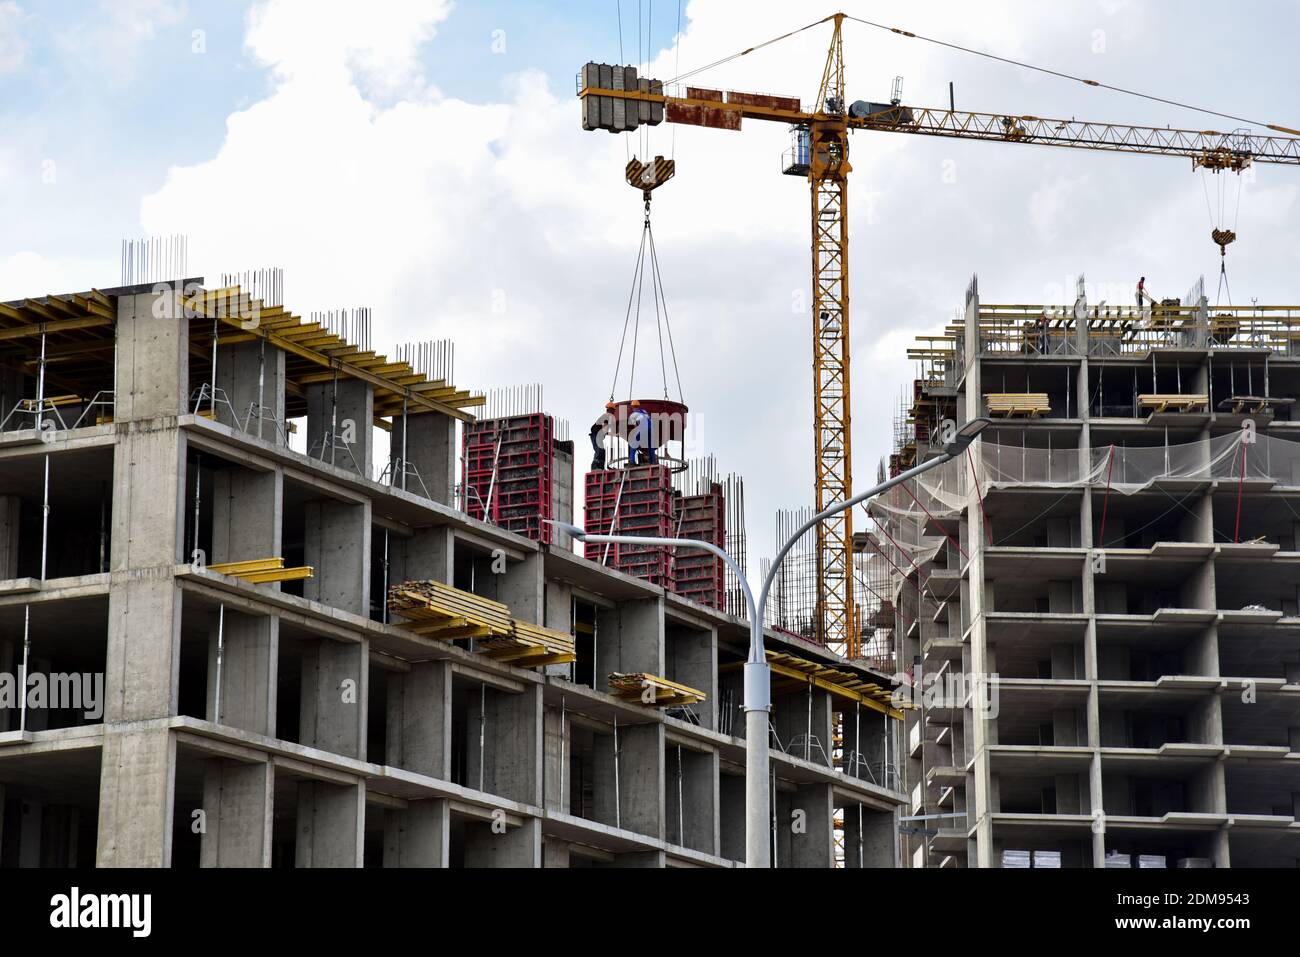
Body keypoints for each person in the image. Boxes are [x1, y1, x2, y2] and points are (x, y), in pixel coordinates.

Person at [627, 400, 657, 466]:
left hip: (643, 428)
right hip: (651, 429)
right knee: (650, 446)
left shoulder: (633, 414)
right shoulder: (644, 411)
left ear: (632, 407)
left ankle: (632, 461)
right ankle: (653, 463)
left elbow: (636, 425)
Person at [589, 402, 615, 470]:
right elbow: (604, 428)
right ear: (610, 410)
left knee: (602, 451)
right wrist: (611, 434)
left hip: (598, 436)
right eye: (613, 410)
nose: (614, 412)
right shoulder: (606, 417)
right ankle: (595, 467)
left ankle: (600, 467)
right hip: (595, 435)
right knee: (600, 450)